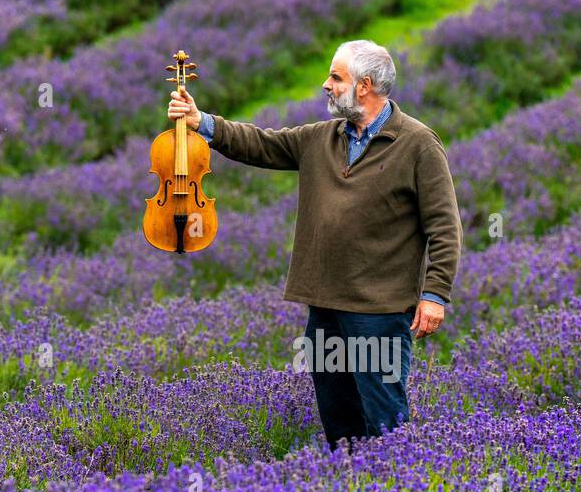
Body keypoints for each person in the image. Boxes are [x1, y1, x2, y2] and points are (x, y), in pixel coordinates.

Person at [166, 39, 462, 452]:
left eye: (335, 77)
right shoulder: (322, 138)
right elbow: (262, 143)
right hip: (323, 306)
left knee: (385, 418)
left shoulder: (417, 144)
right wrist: (202, 122)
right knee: (338, 419)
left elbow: (444, 226)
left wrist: (434, 294)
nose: (326, 85)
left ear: (365, 85)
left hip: (378, 311)